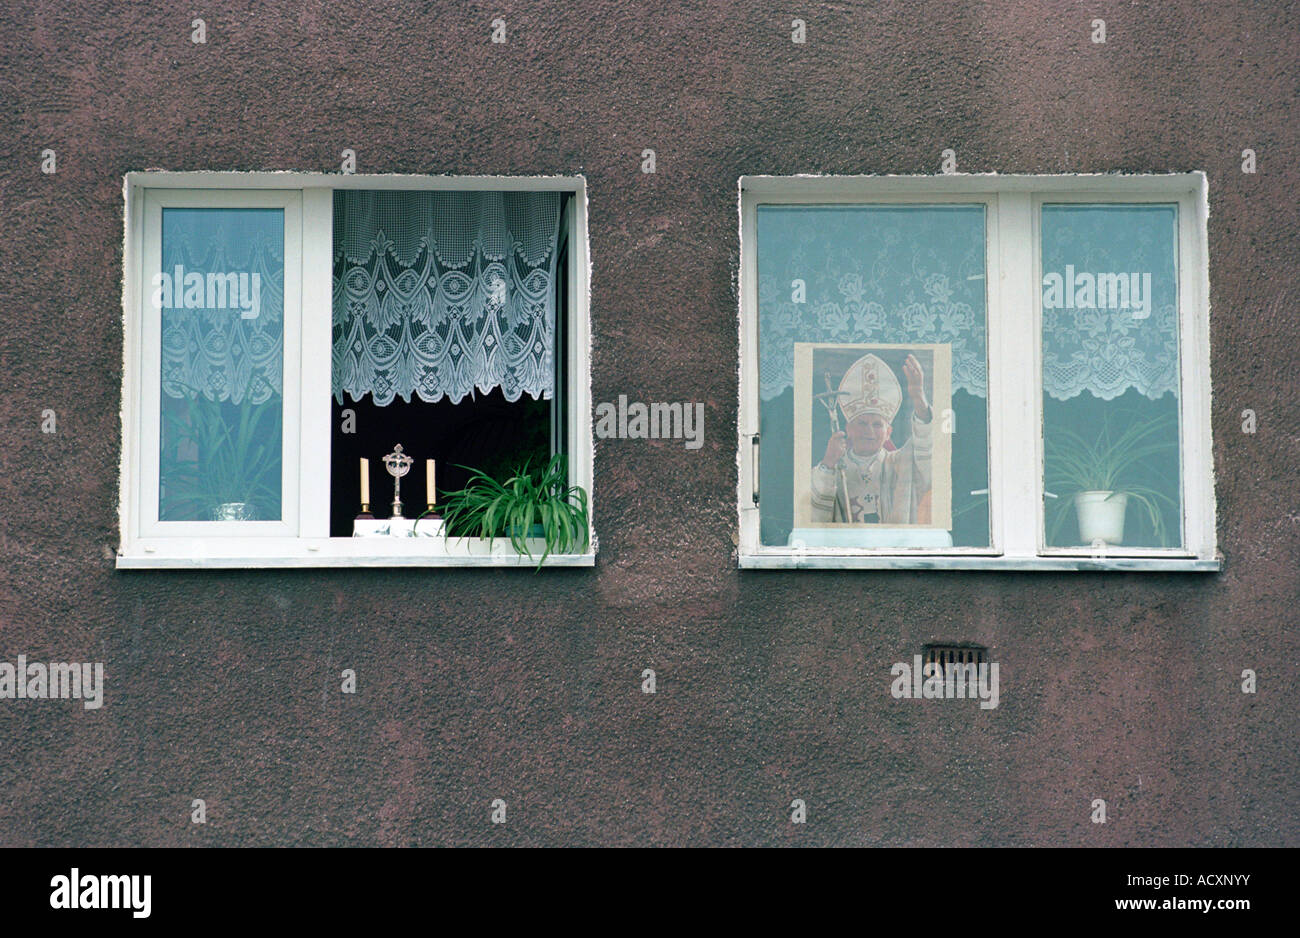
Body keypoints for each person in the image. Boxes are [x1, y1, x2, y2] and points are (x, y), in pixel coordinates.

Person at [810, 352, 933, 524]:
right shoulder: (832, 470)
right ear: (848, 429)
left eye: (877, 425)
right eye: (861, 423)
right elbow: (813, 513)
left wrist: (918, 396)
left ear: (888, 433)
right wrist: (829, 461)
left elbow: (925, 443)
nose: (869, 431)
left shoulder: (900, 463)